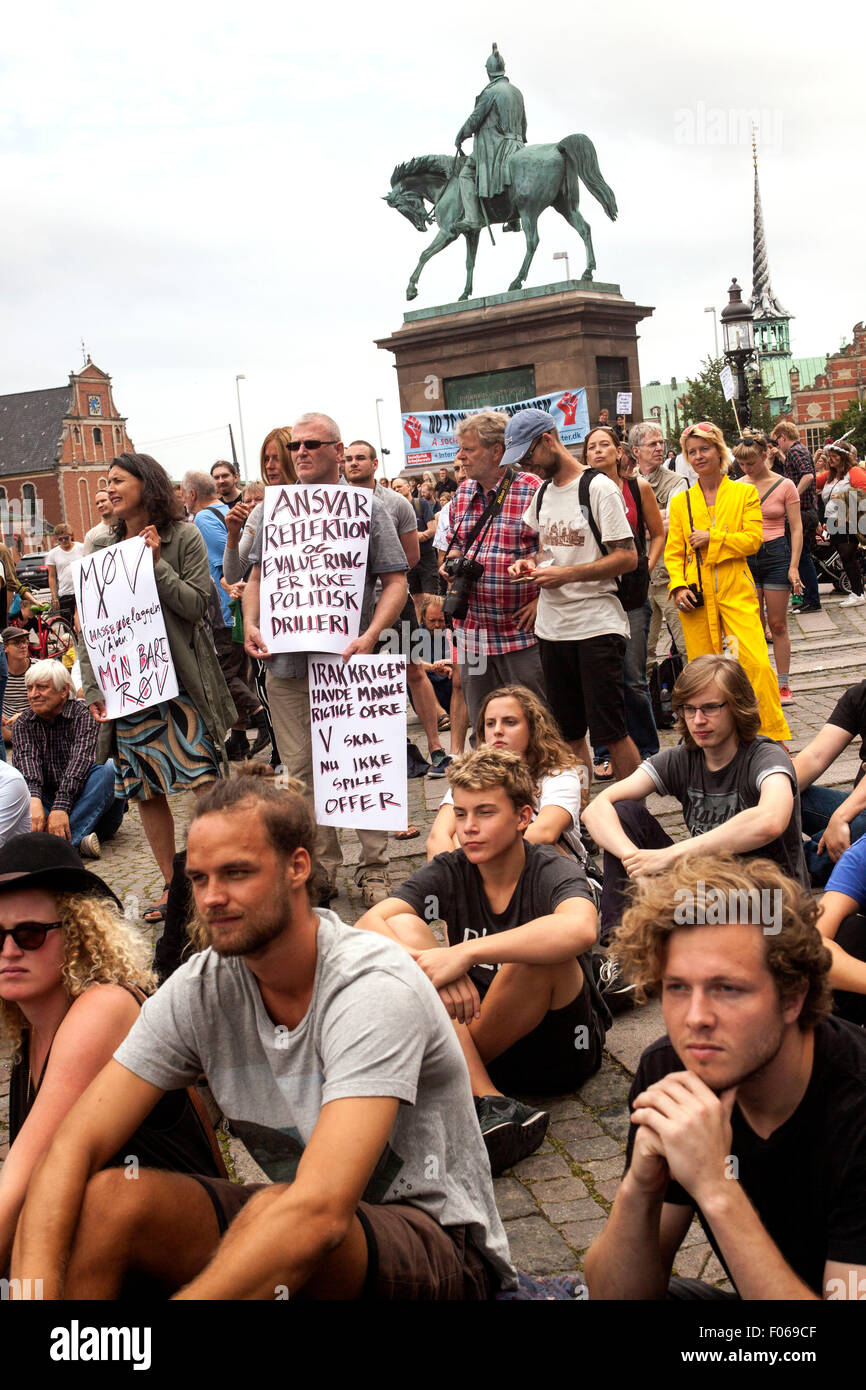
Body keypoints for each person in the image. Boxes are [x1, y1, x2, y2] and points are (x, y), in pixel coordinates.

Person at [10, 776, 515, 1300]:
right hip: (305, 1220)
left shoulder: (369, 986)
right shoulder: (202, 986)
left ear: (298, 867)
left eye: (236, 873)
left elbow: (318, 1214)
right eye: (199, 878)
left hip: (443, 1249)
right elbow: (72, 1145)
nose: (211, 897)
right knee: (110, 1200)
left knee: (281, 1209)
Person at [584, 852, 866, 1300]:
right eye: (677, 988)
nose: (695, 1019)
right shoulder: (672, 1068)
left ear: (793, 997)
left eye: (727, 989)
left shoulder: (853, 1103)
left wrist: (716, 1187)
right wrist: (640, 1186)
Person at [358, 748, 605, 1173]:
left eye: (485, 813)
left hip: (556, 1049)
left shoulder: (549, 867)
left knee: (532, 956)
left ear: (523, 817)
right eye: (461, 813)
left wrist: (464, 953)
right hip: (477, 1035)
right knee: (402, 930)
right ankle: (490, 1103)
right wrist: (432, 967)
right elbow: (367, 922)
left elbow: (582, 929)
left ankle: (461, 1093)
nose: (469, 828)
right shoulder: (454, 868)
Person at [0, 834, 226, 1274]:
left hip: (193, 1260)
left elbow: (23, 1183)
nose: (8, 950)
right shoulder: (30, 1036)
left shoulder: (103, 1009)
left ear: (78, 932)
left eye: (28, 934)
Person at [243, 413, 408, 908]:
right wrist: (250, 623)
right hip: (286, 665)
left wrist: (372, 633)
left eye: (312, 444)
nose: (300, 452)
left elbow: (396, 580)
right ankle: (322, 868)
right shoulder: (274, 511)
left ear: (338, 450)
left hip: (348, 660)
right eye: (295, 445)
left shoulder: (367, 507)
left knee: (362, 762)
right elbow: (254, 578)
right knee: (300, 770)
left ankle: (375, 868)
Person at [79, 453, 237, 922]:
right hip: (129, 687)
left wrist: (155, 565)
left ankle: (218, 874)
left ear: (145, 485)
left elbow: (195, 605)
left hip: (178, 685)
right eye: (106, 482)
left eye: (117, 480)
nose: (108, 489)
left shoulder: (182, 536)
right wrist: (92, 690)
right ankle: (174, 888)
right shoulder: (100, 546)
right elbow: (90, 625)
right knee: (146, 791)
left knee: (203, 780)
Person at [583, 654, 808, 948]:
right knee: (623, 812)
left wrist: (672, 855)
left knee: (674, 913)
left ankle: (663, 933)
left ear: (737, 706)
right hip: (703, 893)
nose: (697, 720)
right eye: (689, 709)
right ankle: (620, 952)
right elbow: (596, 809)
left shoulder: (765, 757)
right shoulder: (682, 758)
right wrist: (636, 861)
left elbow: (770, 820)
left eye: (710, 708)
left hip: (771, 905)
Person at [505, 410, 640, 785]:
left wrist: (565, 574)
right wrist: (528, 565)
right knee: (568, 733)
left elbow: (628, 557)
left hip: (595, 622)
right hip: (553, 627)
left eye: (527, 454)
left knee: (611, 731)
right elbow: (549, 551)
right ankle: (579, 819)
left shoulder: (597, 487)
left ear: (548, 440)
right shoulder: (543, 491)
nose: (525, 463)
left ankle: (630, 816)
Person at [666, 420, 790, 743]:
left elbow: (752, 540)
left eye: (704, 449)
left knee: (756, 665)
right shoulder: (681, 502)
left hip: (736, 593)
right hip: (697, 602)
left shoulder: (744, 492)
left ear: (719, 451)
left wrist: (713, 539)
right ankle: (712, 739)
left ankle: (771, 736)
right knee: (704, 674)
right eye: (691, 452)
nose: (698, 456)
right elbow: (673, 553)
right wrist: (678, 586)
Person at [344, 440, 453, 802]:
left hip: (394, 602)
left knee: (413, 670)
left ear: (376, 463)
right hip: (348, 609)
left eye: (360, 457)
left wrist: (387, 585)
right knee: (363, 681)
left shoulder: (396, 504)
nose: (353, 463)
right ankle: (381, 753)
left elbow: (409, 556)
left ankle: (436, 746)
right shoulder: (335, 502)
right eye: (348, 458)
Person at [444, 410, 546, 733]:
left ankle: (541, 783)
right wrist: (453, 564)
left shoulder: (532, 489)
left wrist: (542, 602)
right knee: (485, 725)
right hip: (473, 633)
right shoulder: (462, 494)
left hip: (520, 634)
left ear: (496, 451)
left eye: (468, 449)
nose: (460, 456)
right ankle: (492, 785)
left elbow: (557, 553)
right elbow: (456, 544)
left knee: (535, 722)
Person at [426, 684, 589, 866]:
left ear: (533, 728)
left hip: (549, 874)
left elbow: (544, 833)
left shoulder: (559, 774)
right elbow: (437, 838)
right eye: (490, 723)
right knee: (458, 833)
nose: (497, 731)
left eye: (510, 722)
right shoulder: (472, 774)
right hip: (485, 873)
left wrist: (478, 856)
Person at [581, 425, 663, 765]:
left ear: (619, 451)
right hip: (595, 594)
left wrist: (645, 565)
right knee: (601, 679)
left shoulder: (636, 487)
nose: (598, 451)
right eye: (591, 447)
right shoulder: (577, 491)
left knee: (633, 678)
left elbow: (657, 534)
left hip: (630, 594)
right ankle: (605, 752)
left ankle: (647, 750)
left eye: (605, 445)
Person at [182, 470, 270, 762]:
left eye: (183, 493)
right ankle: (241, 739)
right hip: (238, 606)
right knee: (237, 672)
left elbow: (228, 562)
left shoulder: (205, 518)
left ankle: (261, 718)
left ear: (191, 494)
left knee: (225, 674)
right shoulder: (223, 511)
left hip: (225, 609)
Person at [13, 660, 125, 859]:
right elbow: (27, 763)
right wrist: (34, 799)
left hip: (94, 807)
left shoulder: (84, 716)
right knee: (16, 786)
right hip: (48, 804)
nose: (33, 694)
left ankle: (56, 850)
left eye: (42, 687)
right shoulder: (23, 723)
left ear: (64, 690)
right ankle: (79, 841)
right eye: (29, 688)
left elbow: (79, 763)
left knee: (109, 768)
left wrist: (61, 808)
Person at [733, 434, 803, 702]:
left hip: (776, 553)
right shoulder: (737, 487)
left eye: (750, 462)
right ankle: (759, 681)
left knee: (777, 624)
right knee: (753, 623)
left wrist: (794, 566)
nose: (746, 468)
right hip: (747, 554)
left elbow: (795, 528)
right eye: (741, 463)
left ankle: (783, 683)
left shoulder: (785, 485)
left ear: (764, 456)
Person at [794, 678, 866, 886]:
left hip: (858, 814)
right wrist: (770, 796)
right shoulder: (860, 694)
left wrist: (841, 817)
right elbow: (816, 755)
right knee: (787, 792)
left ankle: (796, 863)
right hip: (856, 807)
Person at [630, 422, 687, 680]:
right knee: (642, 655)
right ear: (636, 451)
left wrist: (639, 523)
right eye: (652, 444)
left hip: (670, 577)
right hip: (640, 579)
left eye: (661, 442)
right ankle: (651, 711)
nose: (659, 448)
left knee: (688, 648)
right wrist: (655, 522)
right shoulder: (625, 481)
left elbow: (674, 524)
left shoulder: (676, 481)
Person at [452, 43, 526, 236]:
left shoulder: (490, 92)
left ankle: (471, 218)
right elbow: (524, 123)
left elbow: (475, 119)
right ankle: (514, 220)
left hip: (497, 146)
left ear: (489, 72)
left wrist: (461, 136)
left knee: (465, 175)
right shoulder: (517, 92)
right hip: (518, 145)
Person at [222, 427, 297, 587]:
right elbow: (232, 576)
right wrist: (233, 536)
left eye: (277, 458)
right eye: (266, 459)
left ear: (293, 457)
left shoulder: (319, 503)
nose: (269, 465)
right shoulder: (261, 511)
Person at [771, 420, 821, 612]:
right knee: (802, 555)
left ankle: (811, 599)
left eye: (777, 441)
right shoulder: (798, 451)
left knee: (801, 556)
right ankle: (809, 598)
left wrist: (792, 497)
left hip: (802, 511)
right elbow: (799, 470)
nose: (777, 445)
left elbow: (807, 475)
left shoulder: (794, 451)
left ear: (783, 437)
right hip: (808, 510)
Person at [815, 440, 865, 607]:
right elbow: (813, 482)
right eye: (830, 456)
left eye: (834, 456)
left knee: (847, 555)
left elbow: (863, 490)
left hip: (847, 517)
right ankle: (858, 592)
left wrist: (843, 496)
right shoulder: (830, 475)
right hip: (833, 519)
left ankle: (858, 593)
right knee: (846, 557)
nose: (831, 459)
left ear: (843, 457)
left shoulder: (854, 471)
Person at [46, 525, 84, 627]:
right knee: (68, 625)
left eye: (66, 538)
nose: (63, 541)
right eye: (60, 539)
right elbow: (52, 576)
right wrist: (54, 597)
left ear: (71, 535)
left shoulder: (82, 548)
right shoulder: (53, 554)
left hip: (83, 591)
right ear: (57, 539)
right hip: (65, 593)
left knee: (85, 622)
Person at [2, 626, 30, 748]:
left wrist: (24, 715)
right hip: (6, 725)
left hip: (31, 720)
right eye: (17, 643)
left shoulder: (37, 669)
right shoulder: (1, 673)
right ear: (5, 647)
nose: (23, 646)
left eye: (24, 642)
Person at [82, 489, 115, 555]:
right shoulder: (91, 535)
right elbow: (87, 561)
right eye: (97, 503)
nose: (100, 505)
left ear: (113, 500)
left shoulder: (128, 525)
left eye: (103, 501)